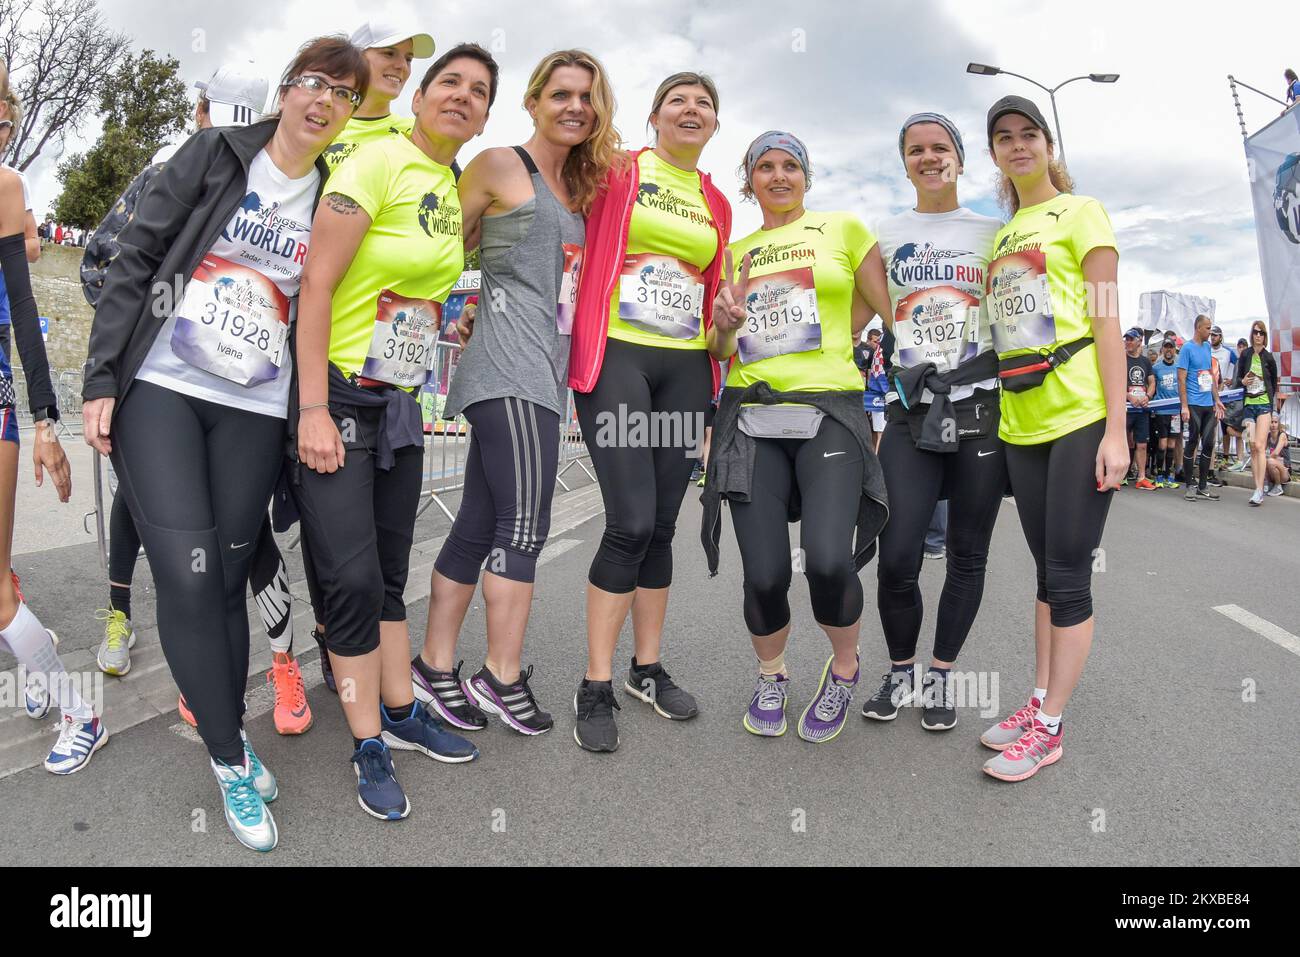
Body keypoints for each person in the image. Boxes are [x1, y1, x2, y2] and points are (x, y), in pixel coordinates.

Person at [82, 37, 368, 850]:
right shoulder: (215, 153)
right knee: (186, 570)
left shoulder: (336, 198)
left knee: (232, 570)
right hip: (165, 391)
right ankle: (226, 752)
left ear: (350, 112)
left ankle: (228, 730)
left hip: (251, 406)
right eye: (313, 82)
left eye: (343, 93)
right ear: (286, 90)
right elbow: (135, 257)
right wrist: (102, 377)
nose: (324, 100)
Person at [293, 43, 495, 819]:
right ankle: (367, 739)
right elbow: (317, 284)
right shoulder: (373, 162)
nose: (462, 96)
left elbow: (416, 292)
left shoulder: (446, 186)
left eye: (479, 91)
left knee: (384, 571)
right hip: (339, 396)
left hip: (400, 404)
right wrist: (314, 407)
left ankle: (403, 712)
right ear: (417, 96)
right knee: (345, 580)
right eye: (450, 82)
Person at [414, 49, 619, 736]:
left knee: (477, 520)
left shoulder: (580, 190)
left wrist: (477, 292)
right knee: (525, 525)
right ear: (532, 101)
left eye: (586, 97)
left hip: (543, 371)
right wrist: (464, 302)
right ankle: (500, 676)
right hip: (507, 370)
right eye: (560, 93)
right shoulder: (502, 165)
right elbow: (440, 243)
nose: (574, 107)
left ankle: (434, 665)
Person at [701, 130, 889, 744]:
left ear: (807, 176)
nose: (778, 176)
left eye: (790, 166)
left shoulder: (844, 230)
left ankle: (843, 669)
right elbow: (720, 348)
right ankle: (773, 675)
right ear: (749, 179)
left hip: (828, 413)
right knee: (763, 574)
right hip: (753, 416)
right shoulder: (736, 252)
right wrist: (725, 328)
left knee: (830, 562)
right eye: (764, 167)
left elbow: (882, 307)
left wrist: (836, 339)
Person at [566, 72, 732, 753]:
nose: (691, 110)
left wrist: (724, 327)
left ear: (715, 124)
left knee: (662, 523)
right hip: (621, 361)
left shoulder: (717, 201)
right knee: (629, 520)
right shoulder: (617, 169)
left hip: (687, 367)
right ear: (655, 117)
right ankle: (595, 681)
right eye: (678, 101)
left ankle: (647, 667)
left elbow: (719, 320)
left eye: (705, 104)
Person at [978, 95, 1126, 782]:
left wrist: (1118, 429)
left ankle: (1052, 726)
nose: (1017, 146)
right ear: (996, 152)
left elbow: (1105, 322)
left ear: (1048, 144)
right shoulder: (1005, 235)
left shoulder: (1081, 211)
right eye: (1004, 137)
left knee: (1067, 575)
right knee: (1044, 573)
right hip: (1021, 422)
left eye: (1028, 134)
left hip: (1080, 415)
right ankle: (1037, 698)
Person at [859, 112, 1005, 732]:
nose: (929, 157)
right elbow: (848, 318)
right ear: (905, 162)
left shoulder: (995, 232)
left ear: (961, 158)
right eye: (916, 149)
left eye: (940, 147)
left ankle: (942, 675)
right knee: (897, 555)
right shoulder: (883, 235)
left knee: (968, 554)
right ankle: (900, 670)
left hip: (981, 407)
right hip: (908, 409)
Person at [0, 58, 84, 775]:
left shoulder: (3, 186)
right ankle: (34, 646)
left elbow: (25, 311)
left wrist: (45, 420)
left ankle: (79, 709)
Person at [321, 20, 435, 174]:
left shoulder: (418, 132)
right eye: (389, 53)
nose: (402, 66)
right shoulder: (319, 123)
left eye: (408, 59)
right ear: (356, 57)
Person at [1177, 314, 1226, 502]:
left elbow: (1210, 376)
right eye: (1207, 328)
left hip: (1208, 404)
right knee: (1192, 444)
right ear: (1198, 328)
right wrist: (1184, 406)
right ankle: (1190, 485)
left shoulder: (1207, 347)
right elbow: (1181, 379)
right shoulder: (1187, 349)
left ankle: (1203, 486)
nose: (1210, 332)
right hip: (1194, 404)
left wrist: (1217, 399)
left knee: (1208, 443)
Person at [1236, 319, 1279, 506]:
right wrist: (1243, 382)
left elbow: (1274, 384)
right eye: (1255, 332)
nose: (1258, 335)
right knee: (1253, 445)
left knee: (1260, 446)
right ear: (1251, 334)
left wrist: (1272, 406)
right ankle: (1258, 487)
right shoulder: (1245, 355)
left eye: (1261, 333)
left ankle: (1259, 490)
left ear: (1265, 336)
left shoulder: (1269, 357)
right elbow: (1238, 379)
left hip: (1263, 405)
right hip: (1248, 406)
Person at [1123, 326, 1156, 489]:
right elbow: (1114, 381)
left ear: (1139, 341)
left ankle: (1141, 476)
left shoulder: (1145, 361)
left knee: (1141, 443)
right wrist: (1128, 396)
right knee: (1123, 441)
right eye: (1126, 339)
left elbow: (1152, 382)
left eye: (1131, 339)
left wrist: (1147, 396)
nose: (1127, 342)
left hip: (1141, 409)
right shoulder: (1121, 359)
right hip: (1125, 409)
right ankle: (1120, 475)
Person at [1151, 335, 1182, 488]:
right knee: (1162, 444)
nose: (1168, 350)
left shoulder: (1179, 367)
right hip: (1162, 412)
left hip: (1175, 411)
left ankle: (1169, 475)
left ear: (1174, 350)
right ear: (1162, 349)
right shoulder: (1156, 368)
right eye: (1166, 347)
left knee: (1171, 444)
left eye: (1171, 347)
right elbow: (1152, 386)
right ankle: (1159, 475)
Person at [1264, 417, 1291, 494]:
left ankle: (1278, 487)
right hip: (1274, 468)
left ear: (1279, 424)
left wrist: (1265, 459)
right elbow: (1262, 451)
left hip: (1285, 471)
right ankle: (1266, 485)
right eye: (1271, 422)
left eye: (1275, 422)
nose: (1273, 424)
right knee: (1262, 460)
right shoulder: (1268, 435)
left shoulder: (1282, 435)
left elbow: (1276, 453)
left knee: (1269, 461)